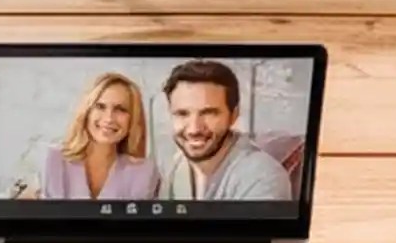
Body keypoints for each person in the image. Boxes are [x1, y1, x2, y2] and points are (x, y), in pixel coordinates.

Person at [158, 60, 292, 201]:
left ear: (233, 115)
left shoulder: (263, 176)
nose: (194, 129)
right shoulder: (175, 167)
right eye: (182, 114)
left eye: (208, 113)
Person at [39, 72, 161, 200]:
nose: (109, 118)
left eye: (120, 109)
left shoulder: (144, 172)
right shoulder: (55, 160)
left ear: (133, 119)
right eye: (100, 106)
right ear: (87, 112)